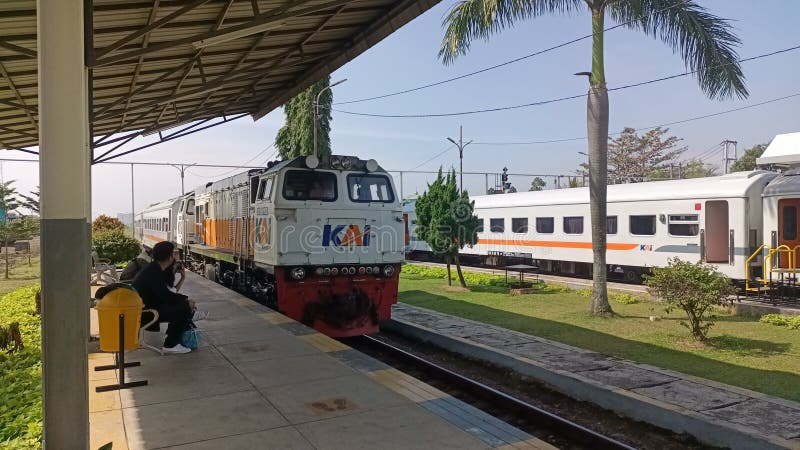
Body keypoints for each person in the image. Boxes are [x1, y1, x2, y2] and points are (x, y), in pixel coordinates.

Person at [133, 241, 202, 354]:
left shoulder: (154, 269)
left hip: (147, 307)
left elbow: (167, 292)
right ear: (169, 257)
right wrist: (186, 301)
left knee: (183, 306)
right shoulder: (153, 273)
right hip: (146, 313)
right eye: (174, 253)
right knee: (184, 308)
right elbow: (166, 296)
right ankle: (170, 345)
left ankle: (174, 337)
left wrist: (185, 299)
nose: (176, 255)